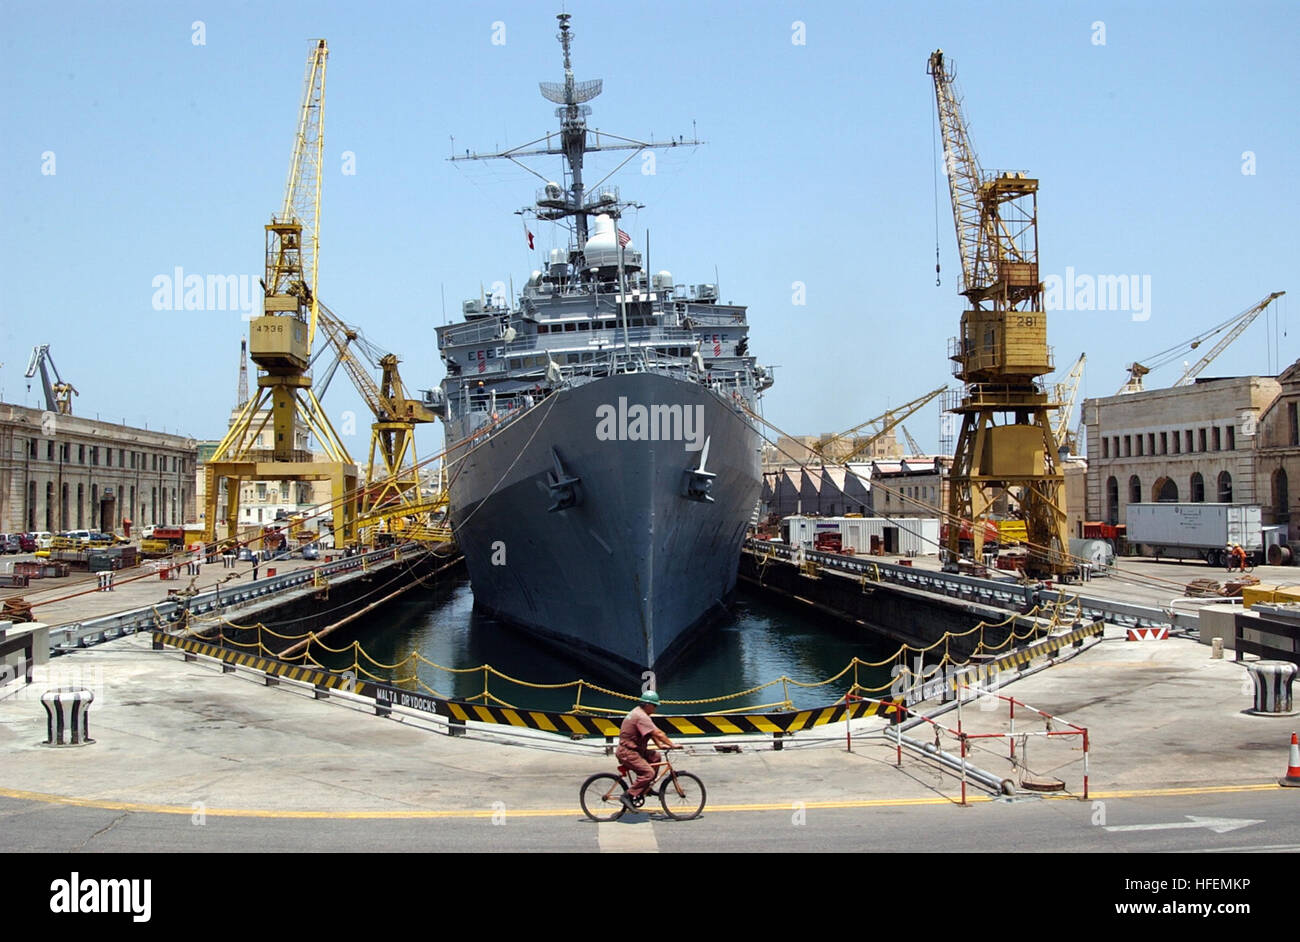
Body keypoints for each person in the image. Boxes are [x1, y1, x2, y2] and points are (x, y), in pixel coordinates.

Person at [616, 691, 677, 812]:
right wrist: (672, 745)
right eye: (654, 705)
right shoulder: (641, 716)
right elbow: (658, 733)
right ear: (647, 704)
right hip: (628, 752)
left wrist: (659, 745)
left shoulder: (639, 713)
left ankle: (645, 788)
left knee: (656, 757)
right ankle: (627, 795)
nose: (655, 708)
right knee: (648, 773)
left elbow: (650, 731)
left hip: (635, 750)